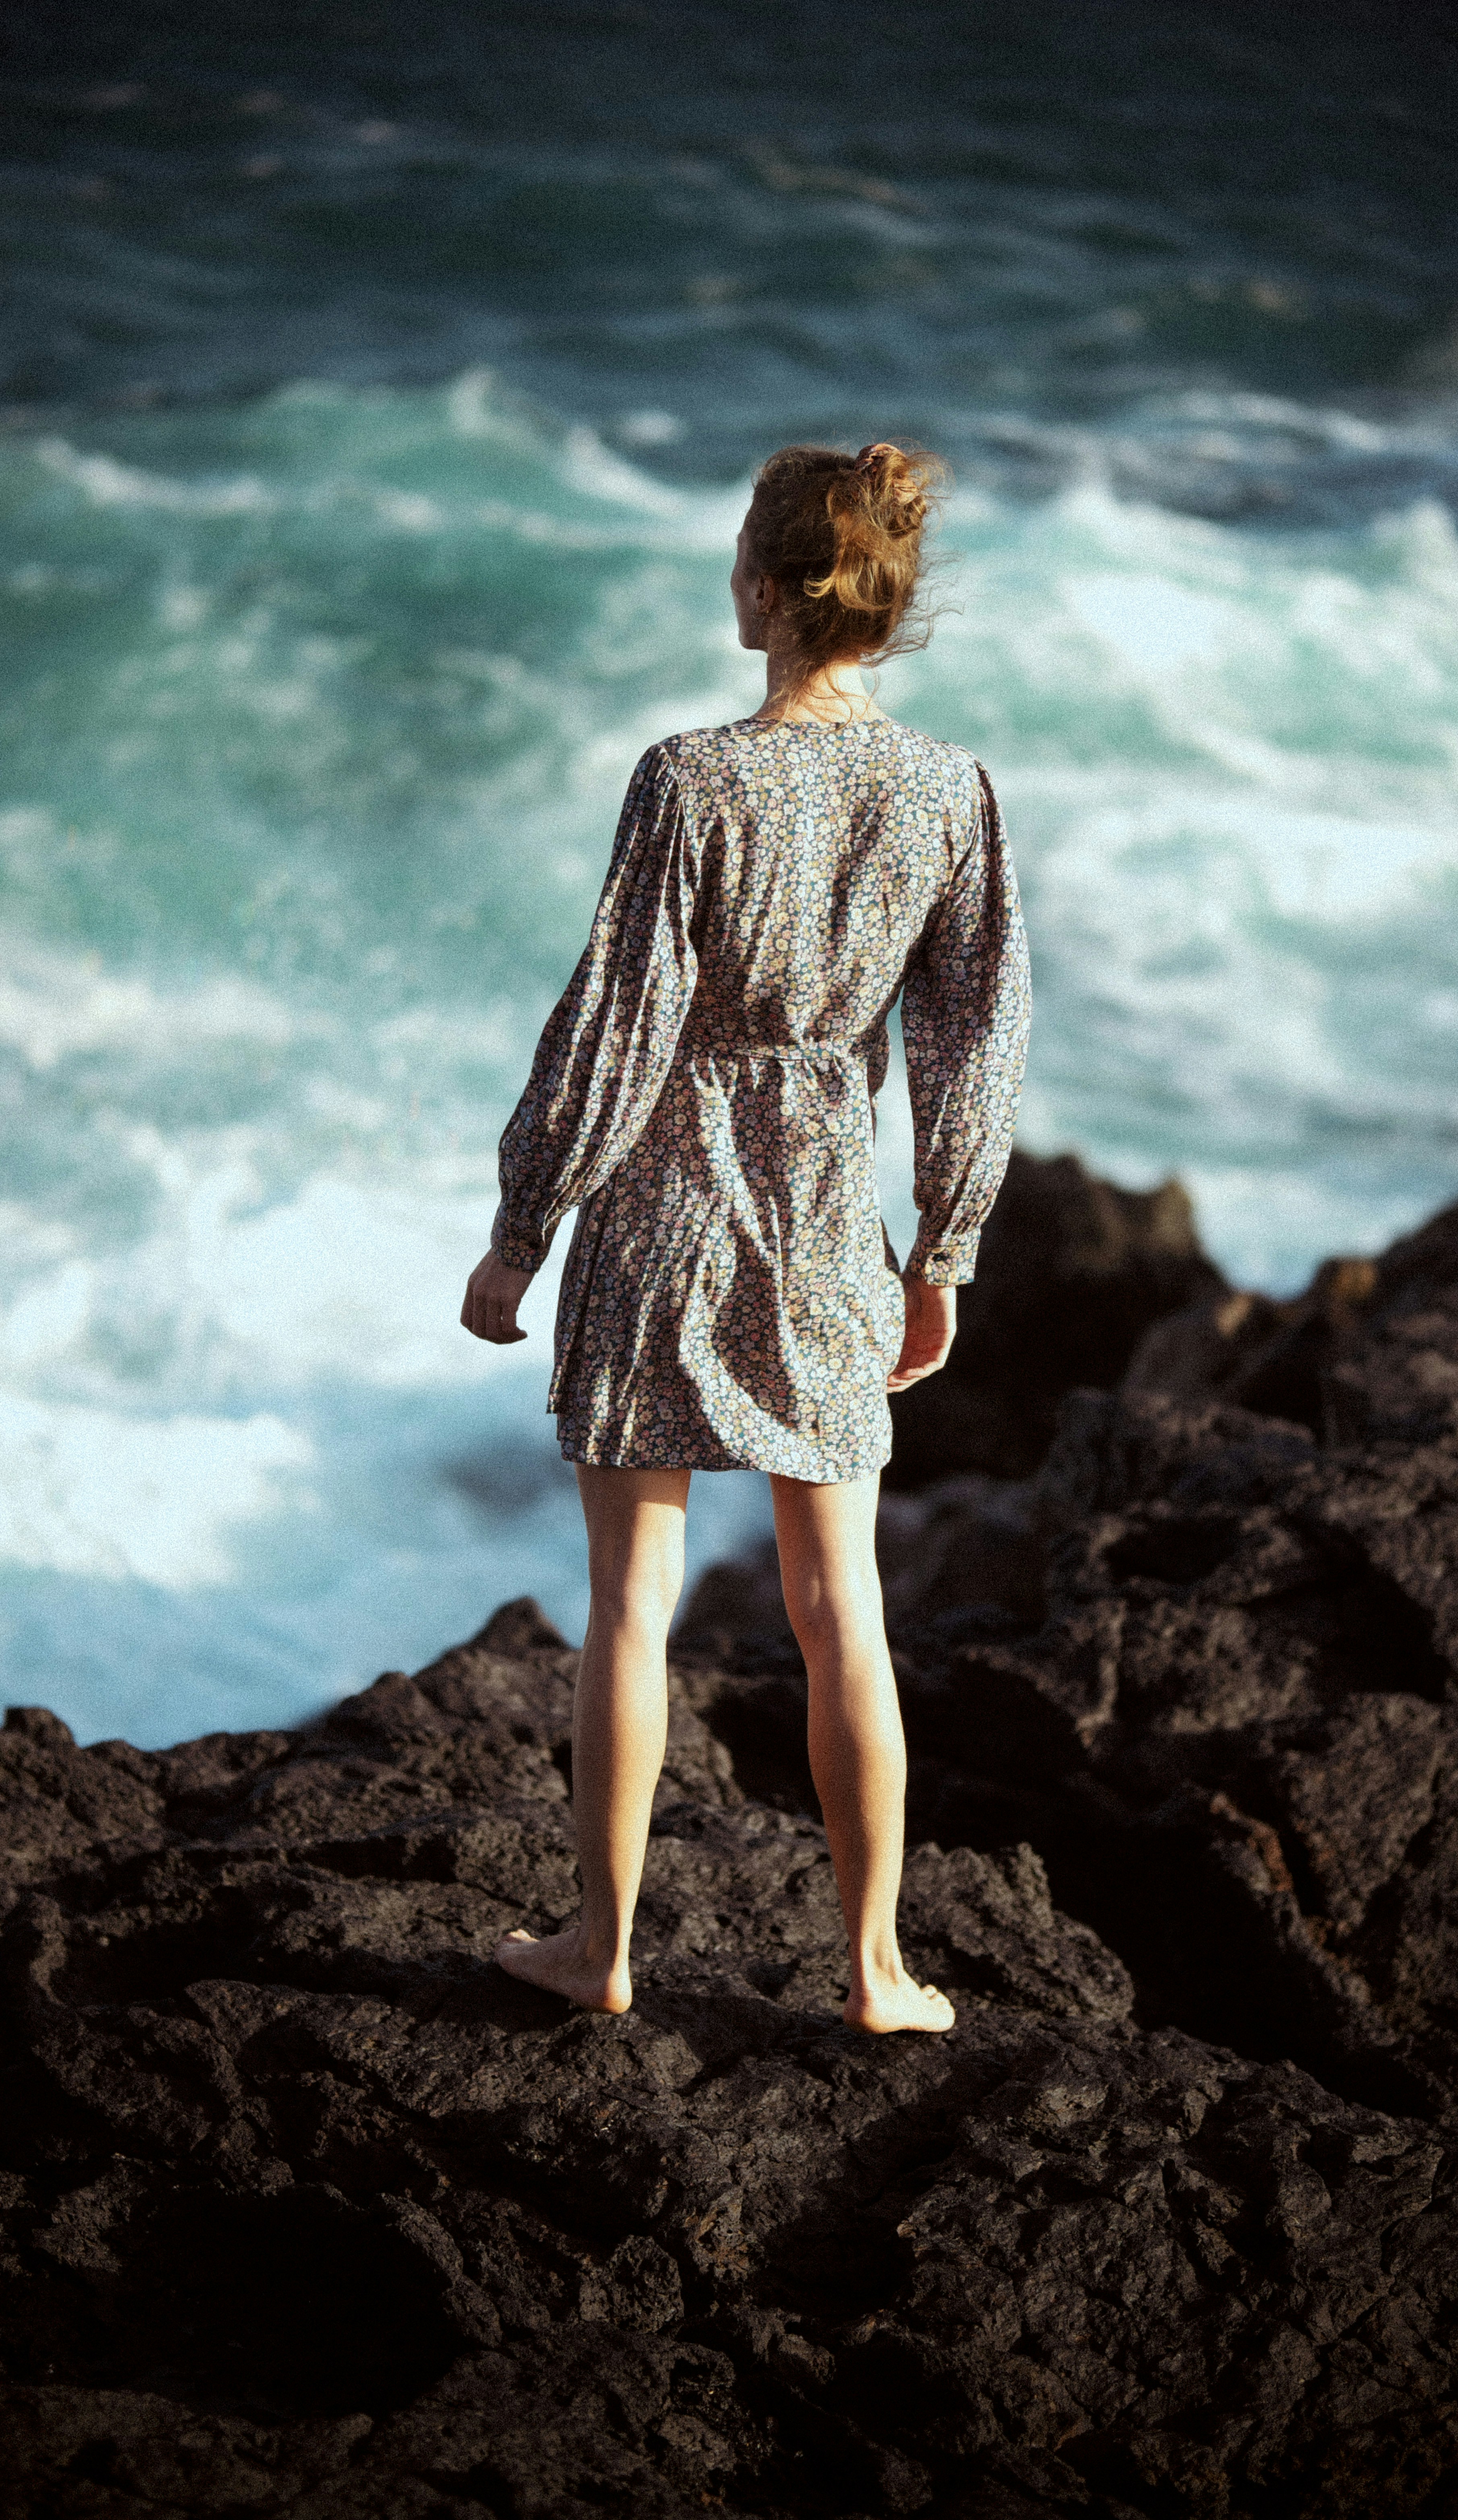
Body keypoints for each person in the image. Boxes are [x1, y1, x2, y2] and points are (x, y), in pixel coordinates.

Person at [461, 441, 1030, 2031]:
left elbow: (617, 1025)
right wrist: (945, 1250)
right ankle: (874, 1969)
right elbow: (976, 1040)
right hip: (830, 1220)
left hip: (657, 1212)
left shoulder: (686, 779)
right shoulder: (947, 790)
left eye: (734, 556)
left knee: (632, 1603)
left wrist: (521, 1227)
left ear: (769, 593)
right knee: (838, 1601)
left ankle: (600, 1951)